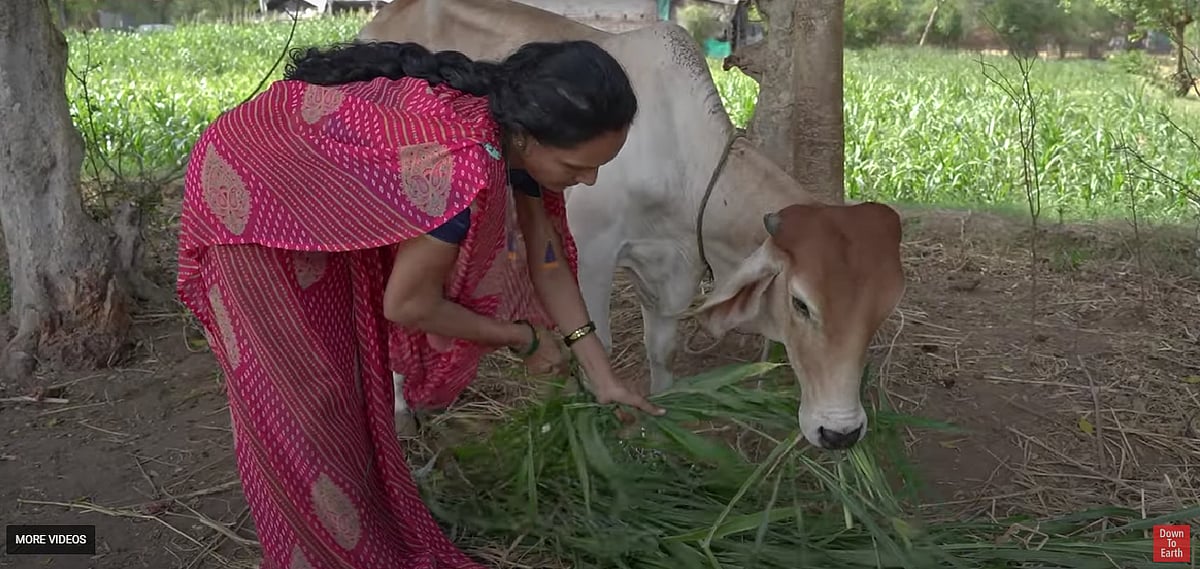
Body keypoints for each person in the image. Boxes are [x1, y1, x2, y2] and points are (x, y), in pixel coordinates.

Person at [175, 38, 666, 569]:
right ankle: (320, 553)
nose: (589, 180)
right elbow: (408, 305)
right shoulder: (457, 168)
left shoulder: (508, 139)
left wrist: (603, 375)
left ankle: (366, 527)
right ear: (527, 135)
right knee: (307, 398)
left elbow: (546, 259)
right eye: (577, 167)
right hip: (252, 201)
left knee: (355, 376)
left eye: (598, 167)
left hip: (311, 191)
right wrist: (520, 338)